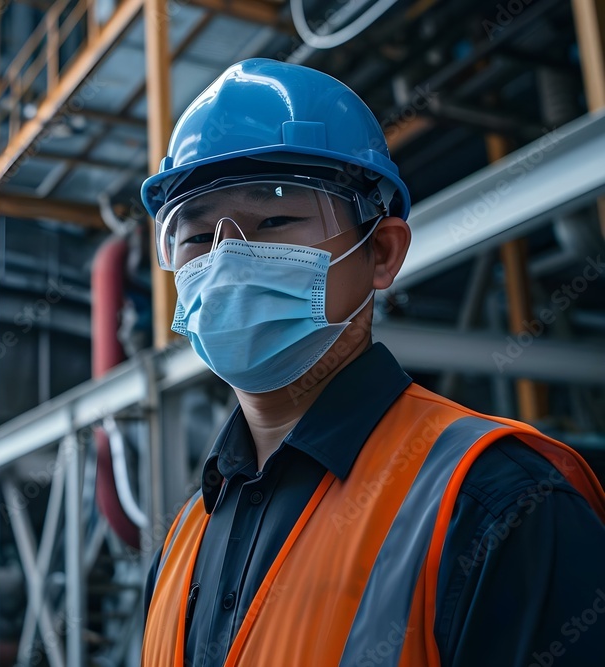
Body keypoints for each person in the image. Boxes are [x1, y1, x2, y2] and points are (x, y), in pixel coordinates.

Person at [138, 58, 605, 666]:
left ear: (381, 252)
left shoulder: (500, 504)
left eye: (275, 220)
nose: (228, 262)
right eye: (196, 237)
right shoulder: (183, 540)